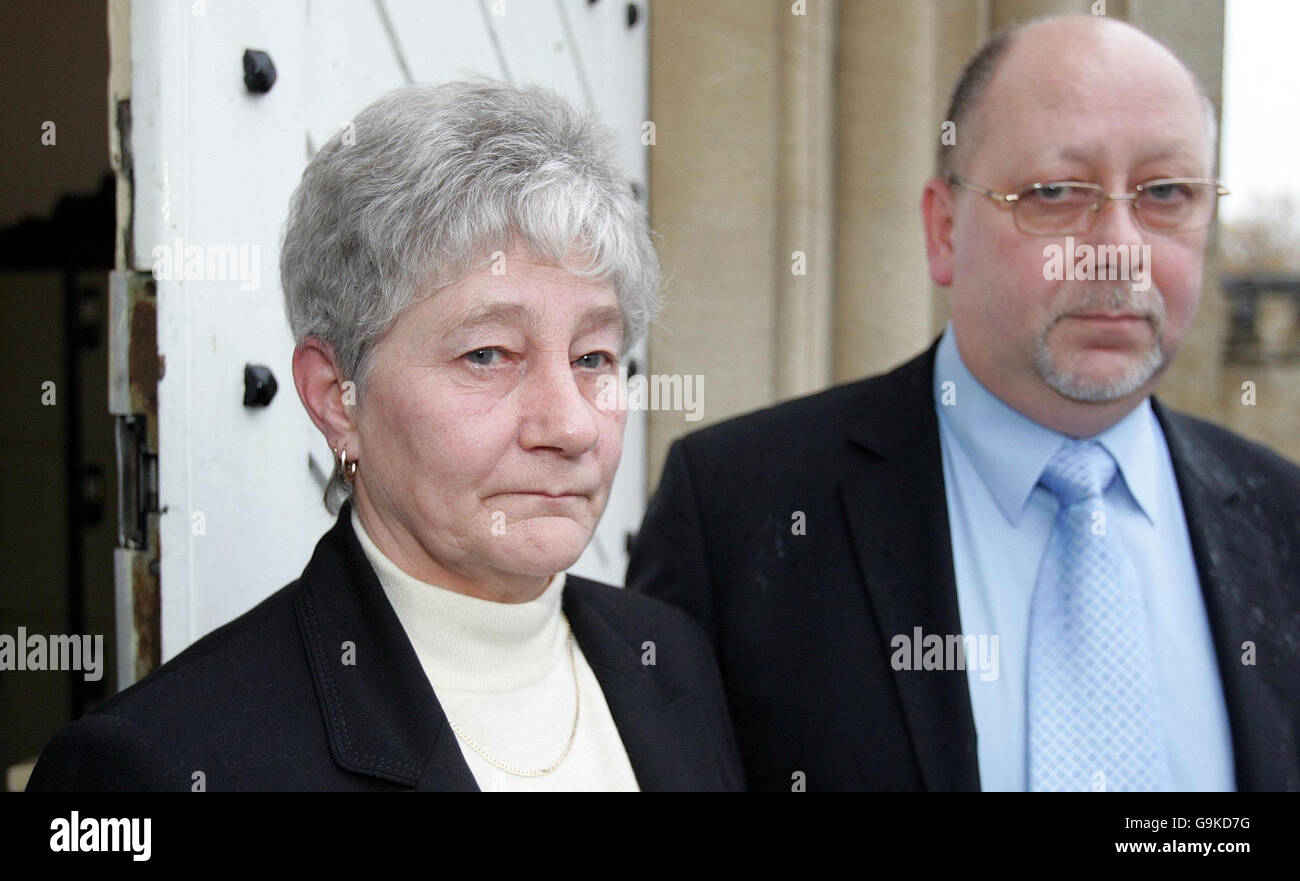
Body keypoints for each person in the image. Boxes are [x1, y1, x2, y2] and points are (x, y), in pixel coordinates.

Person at [628, 15, 1299, 792]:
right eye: (1054, 191)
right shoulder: (737, 512)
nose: (1120, 246)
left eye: (1167, 192)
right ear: (943, 230)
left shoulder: (1282, 523)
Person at [29, 80, 743, 792]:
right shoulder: (157, 763)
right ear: (336, 398)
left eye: (593, 358)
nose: (572, 424)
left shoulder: (671, 656)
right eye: (487, 354)